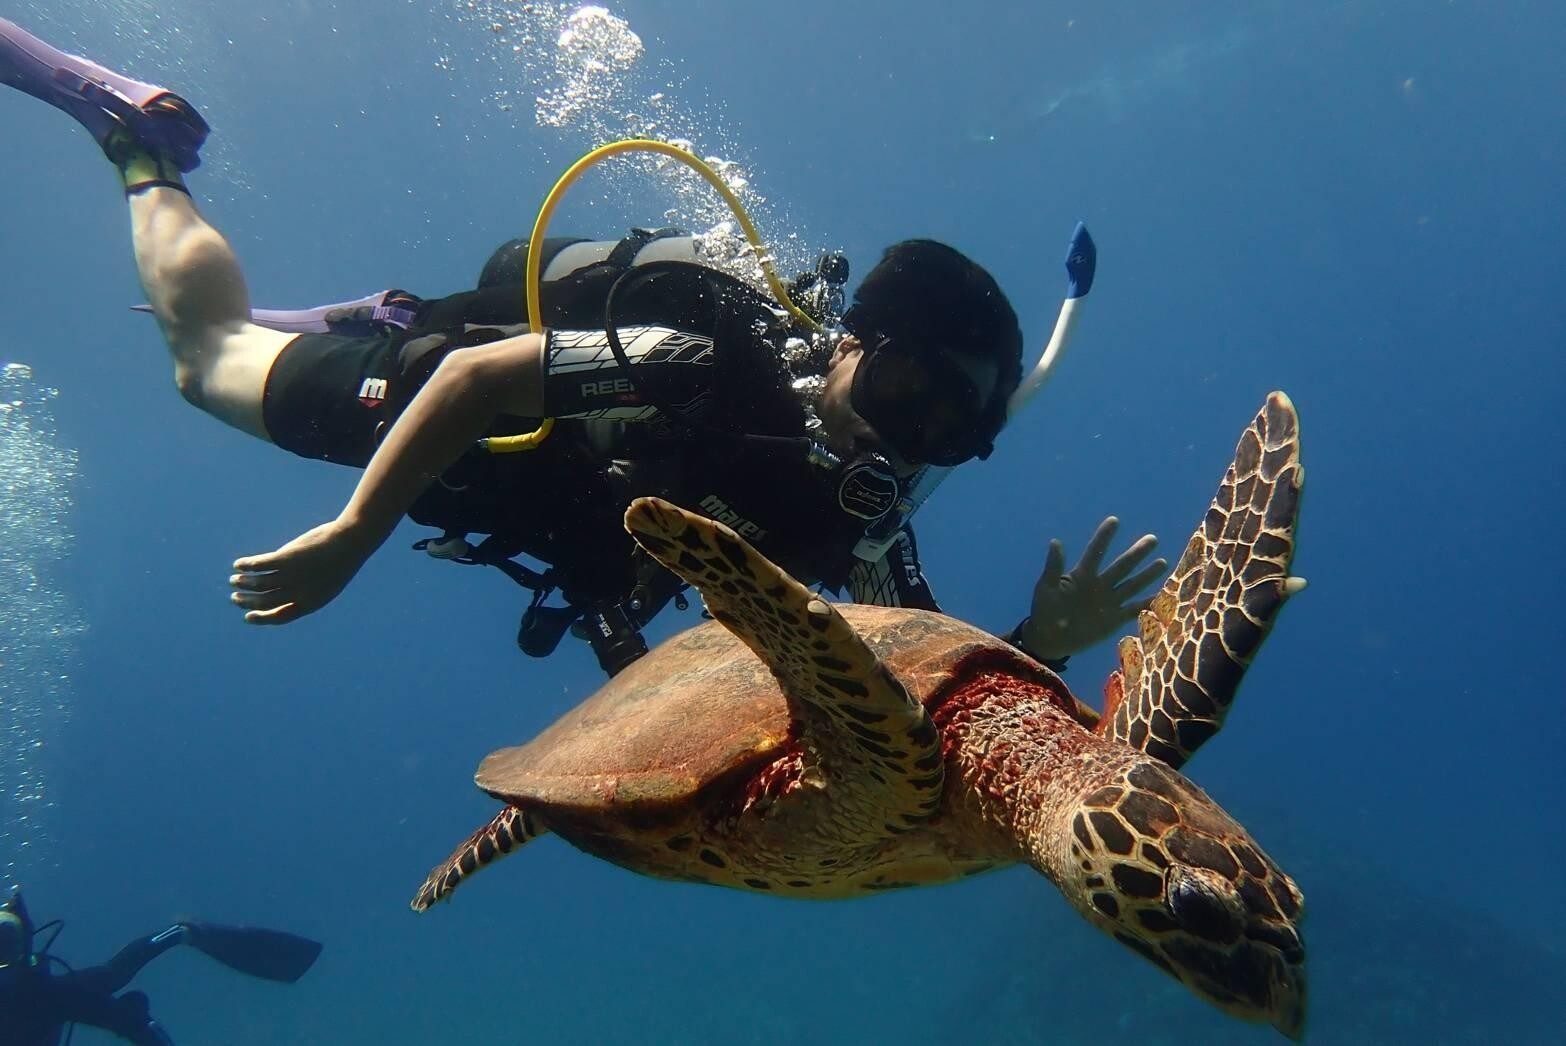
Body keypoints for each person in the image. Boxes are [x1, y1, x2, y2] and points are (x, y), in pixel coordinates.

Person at [0, 18, 1167, 676]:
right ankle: (132, 139)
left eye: (946, 432)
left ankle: (385, 303)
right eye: (909, 392)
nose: (905, 439)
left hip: (514, 492)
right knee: (202, 357)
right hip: (436, 416)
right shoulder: (709, 362)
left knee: (260, 345)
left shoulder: (864, 522)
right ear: (859, 340)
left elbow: (915, 680)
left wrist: (1037, 642)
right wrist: (357, 532)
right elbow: (471, 379)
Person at [0, 888, 321, 1045]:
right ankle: (182, 934)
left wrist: (137, 1021)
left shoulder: (47, 995)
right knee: (114, 976)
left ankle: (182, 933)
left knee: (115, 975)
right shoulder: (51, 995)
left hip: (47, 995)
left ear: (23, 949)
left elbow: (129, 1020)